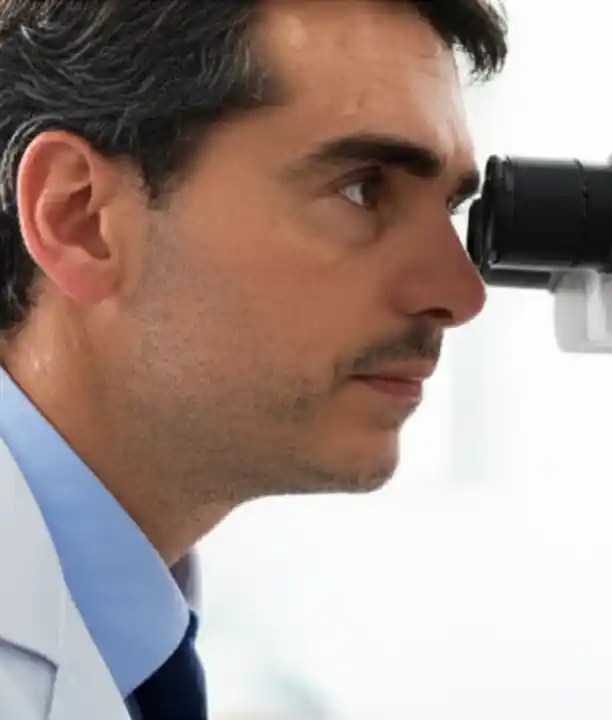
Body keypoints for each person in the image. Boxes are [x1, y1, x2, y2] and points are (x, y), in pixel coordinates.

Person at [0, 1, 506, 718]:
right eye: (363, 189)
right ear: (80, 218)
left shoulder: (135, 633)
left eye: (450, 209)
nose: (459, 294)